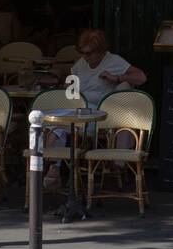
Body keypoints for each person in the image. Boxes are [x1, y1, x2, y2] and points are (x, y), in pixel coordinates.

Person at [44, 29, 147, 189]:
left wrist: (117, 78)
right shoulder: (81, 63)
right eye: (83, 53)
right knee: (55, 117)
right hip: (80, 111)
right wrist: (69, 86)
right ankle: (54, 166)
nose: (86, 57)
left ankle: (52, 166)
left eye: (90, 53)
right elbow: (73, 85)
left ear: (101, 51)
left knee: (61, 124)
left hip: (100, 116)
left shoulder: (114, 61)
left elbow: (141, 77)